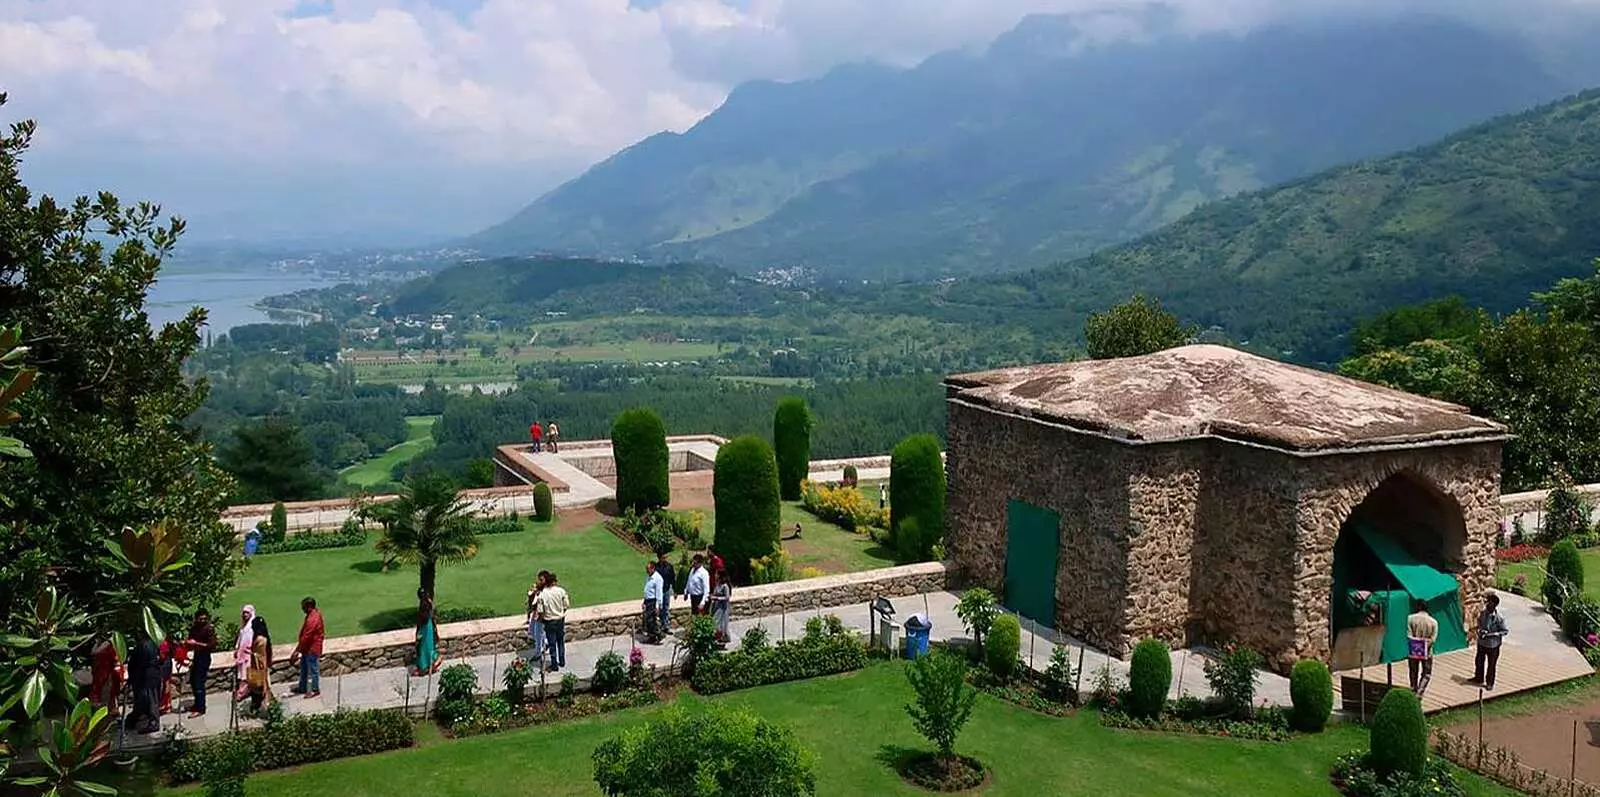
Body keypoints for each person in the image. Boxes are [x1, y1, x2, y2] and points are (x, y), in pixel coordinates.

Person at [1468, 592, 1510, 690]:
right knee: (1479, 661)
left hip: (1493, 645)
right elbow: (1479, 623)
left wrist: (1494, 634)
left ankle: (1489, 683)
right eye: (1487, 603)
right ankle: (1478, 678)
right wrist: (1480, 630)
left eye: (1490, 603)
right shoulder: (1483, 613)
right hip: (1482, 643)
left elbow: (1505, 631)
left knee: (1491, 665)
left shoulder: (1499, 618)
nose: (1487, 605)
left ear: (1494, 604)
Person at [536, 571, 571, 672]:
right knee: (560, 641)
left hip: (549, 621)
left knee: (552, 644)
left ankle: (554, 664)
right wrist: (561, 612)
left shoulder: (543, 595)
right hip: (560, 620)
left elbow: (540, 610)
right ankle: (562, 661)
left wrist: (542, 619)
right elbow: (566, 605)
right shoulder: (561, 591)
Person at [290, 597, 325, 698]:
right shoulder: (313, 614)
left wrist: (296, 651)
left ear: (309, 607)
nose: (302, 609)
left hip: (312, 648)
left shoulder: (312, 619)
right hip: (307, 648)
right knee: (304, 667)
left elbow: (306, 636)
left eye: (303, 607)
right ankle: (303, 687)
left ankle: (314, 689)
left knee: (313, 669)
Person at [184, 609, 217, 718]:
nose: (203, 620)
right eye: (200, 619)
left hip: (204, 658)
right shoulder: (194, 629)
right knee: (193, 681)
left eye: (204, 619)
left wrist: (196, 643)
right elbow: (190, 641)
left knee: (199, 683)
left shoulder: (208, 629)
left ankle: (201, 708)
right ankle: (197, 704)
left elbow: (212, 645)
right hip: (196, 657)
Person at [127, 634, 162, 733]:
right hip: (147, 676)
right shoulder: (150, 644)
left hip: (146, 677)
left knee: (150, 700)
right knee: (142, 700)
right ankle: (132, 720)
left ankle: (154, 723)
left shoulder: (144, 646)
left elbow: (140, 664)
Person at [1405, 598, 1438, 697]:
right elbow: (1433, 639)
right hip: (1427, 652)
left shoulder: (1410, 619)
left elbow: (1409, 636)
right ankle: (1420, 692)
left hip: (1413, 651)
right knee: (1426, 673)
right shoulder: (1433, 622)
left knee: (1413, 671)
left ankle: (1413, 688)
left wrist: (1417, 645)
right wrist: (1425, 645)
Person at [247, 616, 275, 714]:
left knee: (259, 688)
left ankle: (260, 708)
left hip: (259, 668)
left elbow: (260, 656)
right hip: (262, 667)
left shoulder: (260, 640)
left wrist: (250, 653)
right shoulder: (265, 638)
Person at [414, 588, 440, 675]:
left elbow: (422, 619)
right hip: (429, 627)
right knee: (429, 646)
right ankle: (431, 664)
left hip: (424, 628)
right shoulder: (429, 602)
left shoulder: (423, 605)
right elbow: (433, 613)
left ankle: (424, 667)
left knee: (422, 647)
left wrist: (418, 632)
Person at [233, 605, 256, 700]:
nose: (245, 615)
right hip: (242, 654)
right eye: (244, 613)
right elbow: (240, 638)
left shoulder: (253, 626)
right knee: (242, 673)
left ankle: (242, 693)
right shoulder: (244, 626)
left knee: (245, 675)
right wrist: (237, 648)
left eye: (247, 613)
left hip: (248, 654)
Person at [525, 573, 548, 664]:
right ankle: (545, 644)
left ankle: (538, 652)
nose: (539, 581)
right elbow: (531, 603)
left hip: (541, 616)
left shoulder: (546, 591)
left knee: (539, 634)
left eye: (541, 580)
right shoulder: (537, 590)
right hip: (535, 615)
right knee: (532, 632)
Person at [642, 562, 664, 644]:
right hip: (648, 600)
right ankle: (651, 637)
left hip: (653, 601)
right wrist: (644, 601)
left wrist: (658, 605)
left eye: (648, 569)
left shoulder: (657, 578)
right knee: (648, 621)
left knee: (653, 620)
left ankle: (658, 636)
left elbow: (659, 592)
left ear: (653, 568)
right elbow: (647, 590)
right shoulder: (648, 577)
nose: (646, 571)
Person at [654, 551, 676, 634]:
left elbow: (672, 578)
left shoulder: (669, 567)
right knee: (659, 608)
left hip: (666, 590)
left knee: (666, 608)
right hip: (658, 591)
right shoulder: (656, 567)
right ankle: (659, 627)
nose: (665, 559)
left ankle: (665, 626)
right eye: (663, 557)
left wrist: (674, 590)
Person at [711, 567, 732, 643]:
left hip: (722, 608)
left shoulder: (725, 586)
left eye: (717, 574)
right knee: (715, 622)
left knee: (721, 622)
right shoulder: (717, 584)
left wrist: (717, 598)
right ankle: (718, 637)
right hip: (716, 607)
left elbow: (727, 597)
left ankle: (723, 637)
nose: (715, 575)